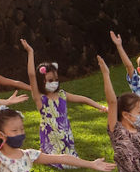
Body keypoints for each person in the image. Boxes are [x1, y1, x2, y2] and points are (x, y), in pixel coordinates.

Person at [21, 36, 104, 164]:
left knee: (69, 157)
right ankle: (44, 155)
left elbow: (83, 99)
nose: (54, 83)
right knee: (55, 159)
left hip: (65, 132)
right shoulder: (40, 98)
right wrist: (30, 52)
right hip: (49, 134)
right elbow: (31, 75)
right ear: (41, 82)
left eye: (56, 80)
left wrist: (100, 107)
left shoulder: (62, 94)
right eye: (49, 81)